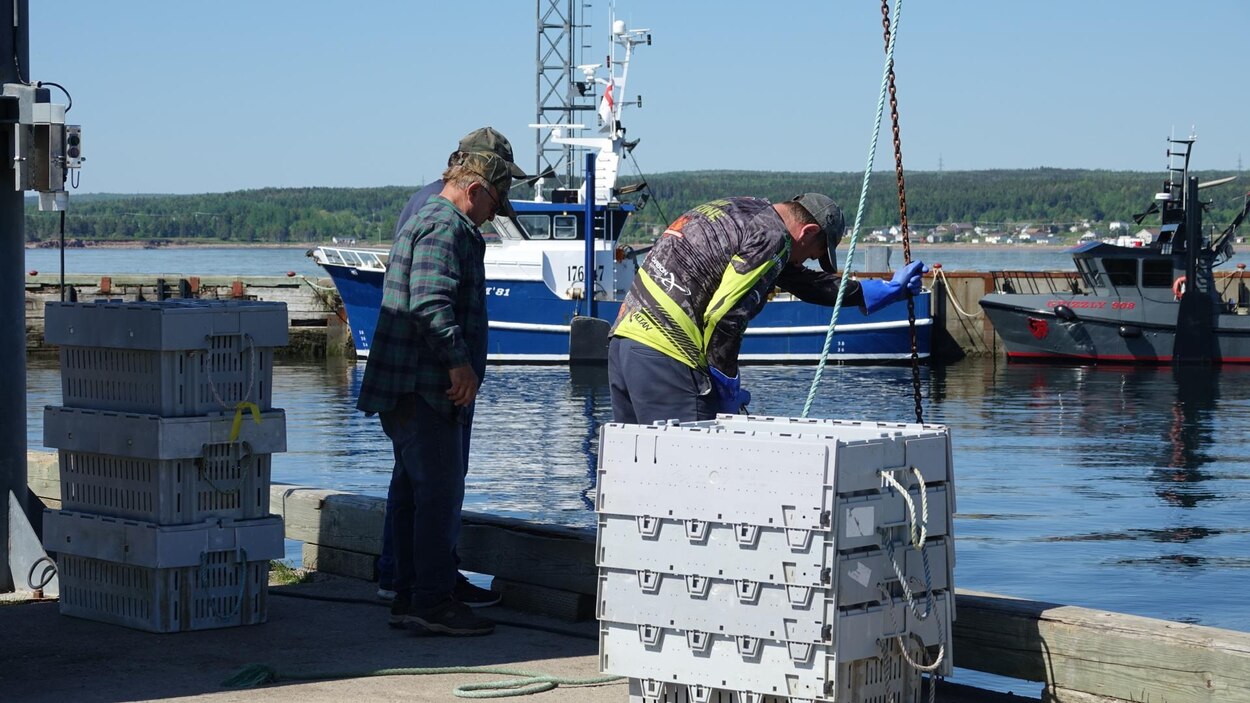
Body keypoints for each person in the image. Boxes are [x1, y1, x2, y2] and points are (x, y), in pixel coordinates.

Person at [357, 149, 518, 636]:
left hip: (407, 388)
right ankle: (431, 601)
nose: (493, 216)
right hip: (427, 390)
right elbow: (429, 302)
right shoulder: (448, 227)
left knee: (411, 493)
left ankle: (408, 595)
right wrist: (459, 364)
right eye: (494, 204)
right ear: (474, 190)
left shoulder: (427, 218)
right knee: (439, 496)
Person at [608, 194, 926, 424]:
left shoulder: (744, 211)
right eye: (816, 253)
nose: (810, 261)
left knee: (636, 470)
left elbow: (805, 283)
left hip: (625, 341)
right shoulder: (773, 237)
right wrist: (726, 386)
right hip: (668, 353)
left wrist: (883, 291)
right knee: (690, 476)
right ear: (809, 232)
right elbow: (726, 316)